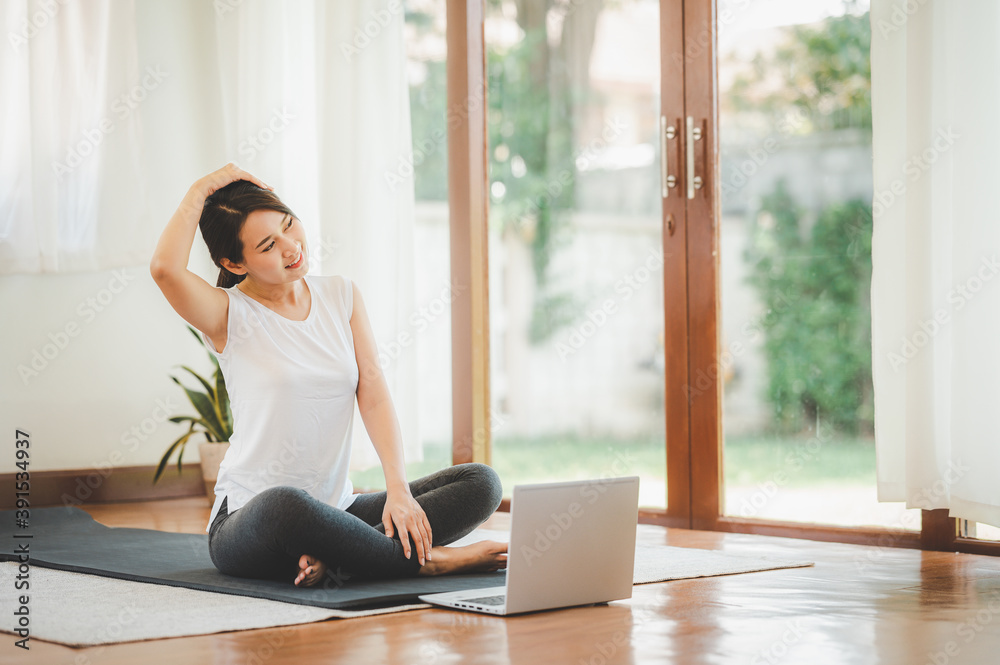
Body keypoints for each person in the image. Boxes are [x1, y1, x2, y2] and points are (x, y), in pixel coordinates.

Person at [150, 163, 507, 587]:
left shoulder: (340, 294)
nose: (290, 247)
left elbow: (372, 393)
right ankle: (427, 562)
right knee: (287, 505)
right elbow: (164, 269)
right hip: (251, 520)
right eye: (267, 245)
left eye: (288, 225)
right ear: (234, 262)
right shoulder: (228, 314)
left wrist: (398, 491)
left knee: (481, 483)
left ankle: (342, 556)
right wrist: (202, 187)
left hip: (338, 510)